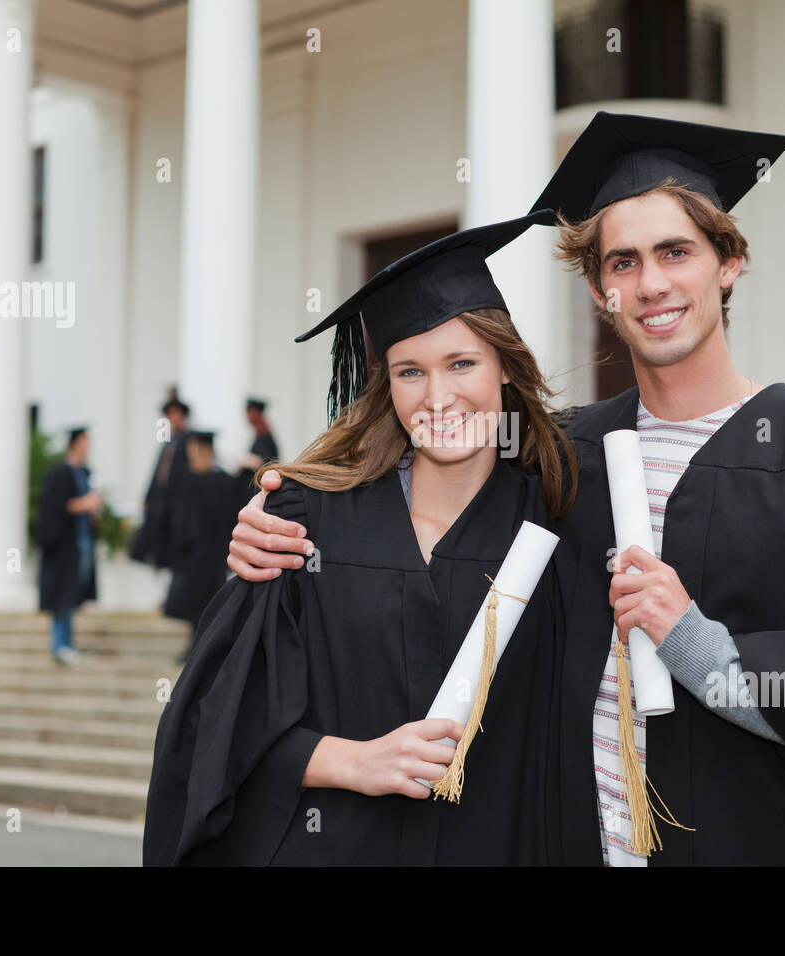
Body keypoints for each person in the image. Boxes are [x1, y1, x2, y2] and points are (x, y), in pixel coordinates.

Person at [227, 112, 785, 866]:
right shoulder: (557, 462)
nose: (651, 284)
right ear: (601, 289)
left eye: (676, 251)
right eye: (624, 262)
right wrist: (287, 515)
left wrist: (717, 661)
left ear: (729, 263)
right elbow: (423, 498)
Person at [144, 211, 579, 866]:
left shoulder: (555, 525)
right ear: (387, 384)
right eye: (410, 371)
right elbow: (209, 721)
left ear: (506, 368)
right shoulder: (305, 521)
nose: (439, 397)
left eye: (462, 362)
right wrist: (354, 761)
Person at [163, 428, 241, 663]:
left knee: (210, 602)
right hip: (192, 556)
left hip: (213, 556)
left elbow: (232, 515)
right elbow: (179, 519)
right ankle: (196, 645)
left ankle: (206, 647)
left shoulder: (222, 481)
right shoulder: (188, 481)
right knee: (193, 605)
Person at [37, 426, 102, 665]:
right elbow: (57, 506)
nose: (88, 445)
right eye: (85, 441)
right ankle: (60, 645)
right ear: (75, 443)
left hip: (82, 541)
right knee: (62, 593)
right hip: (64, 545)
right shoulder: (60, 473)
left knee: (73, 592)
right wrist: (84, 504)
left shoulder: (85, 472)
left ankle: (67, 644)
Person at [129, 392, 191, 570]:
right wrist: (147, 497)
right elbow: (158, 473)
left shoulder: (188, 441)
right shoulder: (167, 441)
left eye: (176, 415)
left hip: (176, 504)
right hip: (160, 502)